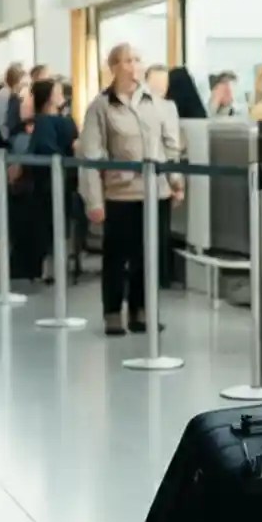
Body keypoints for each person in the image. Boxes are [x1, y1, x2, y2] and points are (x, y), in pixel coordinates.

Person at [79, 45, 183, 336]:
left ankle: (142, 310)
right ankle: (113, 311)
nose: (133, 66)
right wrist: (93, 201)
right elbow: (90, 156)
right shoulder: (100, 106)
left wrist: (176, 183)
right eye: (126, 61)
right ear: (113, 67)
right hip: (121, 194)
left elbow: (172, 148)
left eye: (137, 59)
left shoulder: (161, 105)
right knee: (117, 256)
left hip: (156, 192)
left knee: (150, 255)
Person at [28, 78, 79, 282]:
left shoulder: (45, 122)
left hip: (52, 180)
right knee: (56, 223)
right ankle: (56, 266)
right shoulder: (53, 122)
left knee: (54, 223)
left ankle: (52, 267)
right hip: (54, 180)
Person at [146, 65, 186, 288]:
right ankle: (159, 276)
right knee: (159, 229)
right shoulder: (168, 108)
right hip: (159, 178)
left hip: (136, 181)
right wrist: (177, 182)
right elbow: (172, 147)